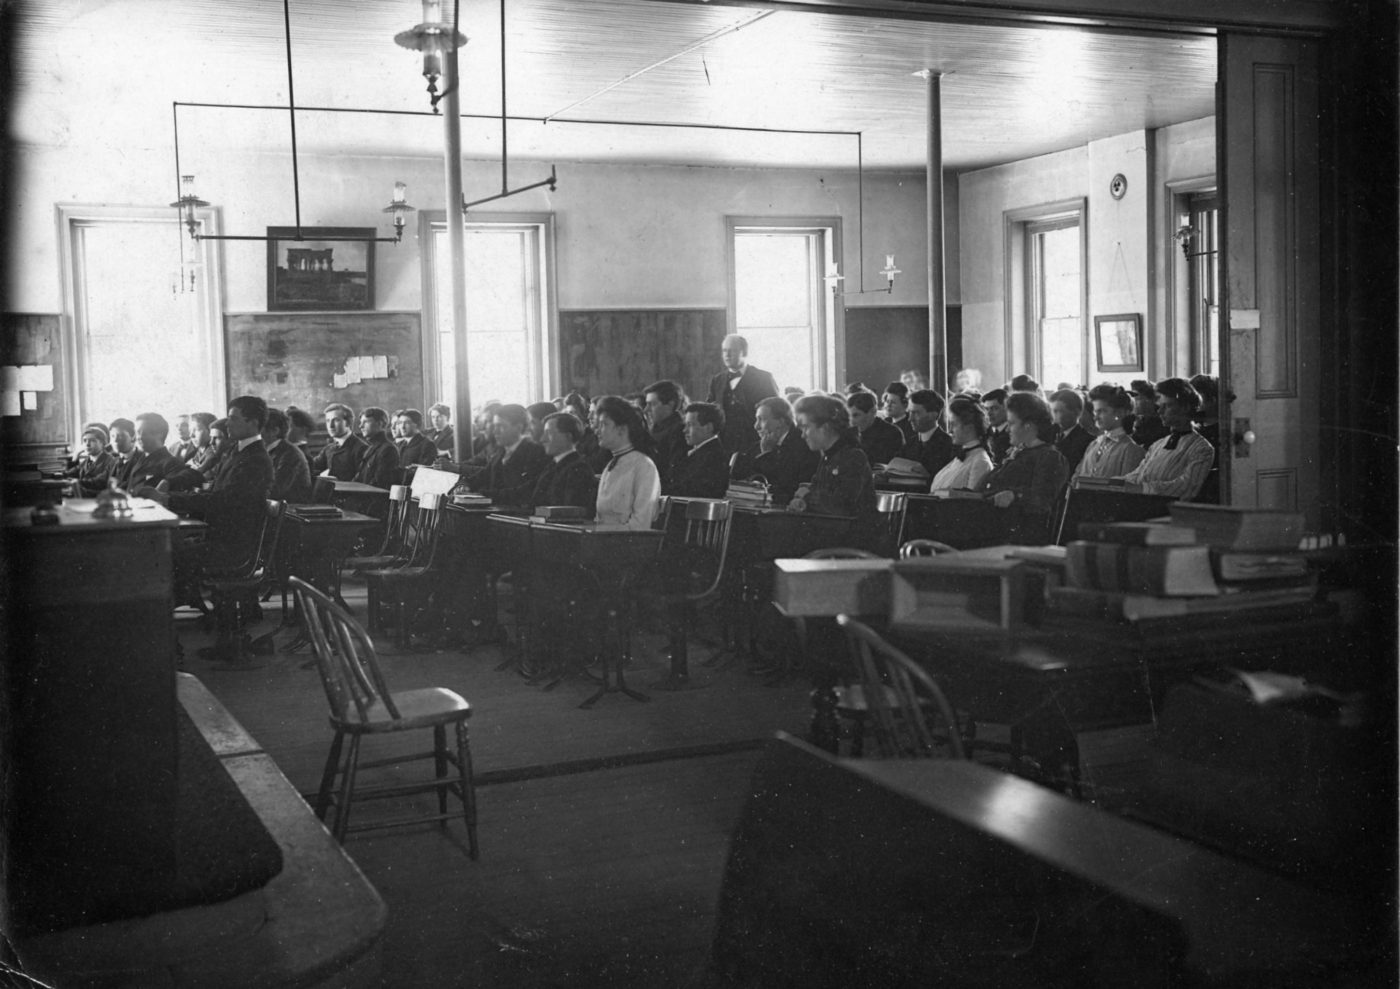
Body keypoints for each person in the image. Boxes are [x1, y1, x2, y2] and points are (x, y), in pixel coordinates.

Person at [140, 396, 274, 592]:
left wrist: (169, 499)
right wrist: (170, 484)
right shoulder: (237, 451)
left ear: (253, 423)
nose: (227, 423)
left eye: (233, 418)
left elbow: (222, 500)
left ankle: (175, 606)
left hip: (235, 548)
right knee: (165, 549)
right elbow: (203, 480)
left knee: (164, 554)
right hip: (222, 537)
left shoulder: (256, 459)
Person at [787, 394, 879, 549]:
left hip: (853, 546)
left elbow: (841, 507)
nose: (802, 435)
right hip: (834, 538)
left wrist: (807, 496)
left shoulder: (853, 457)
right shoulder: (828, 457)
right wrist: (803, 501)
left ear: (825, 427)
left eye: (806, 427)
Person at [982, 392, 1069, 545]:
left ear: (1028, 426)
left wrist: (1015, 495)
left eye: (1011, 423)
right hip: (995, 528)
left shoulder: (1049, 457)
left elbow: (1041, 500)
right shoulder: (1018, 453)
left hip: (1019, 537)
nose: (1007, 430)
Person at [1119, 377, 1215, 499]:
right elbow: (1137, 476)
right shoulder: (1158, 445)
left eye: (1168, 406)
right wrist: (1110, 482)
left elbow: (1186, 487)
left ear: (1185, 407)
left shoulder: (1202, 448)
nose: (1160, 411)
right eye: (1160, 406)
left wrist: (1143, 488)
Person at [734, 395, 819, 507]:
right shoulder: (758, 445)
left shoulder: (803, 445)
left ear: (780, 422)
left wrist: (767, 454)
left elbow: (783, 487)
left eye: (761, 419)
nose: (756, 426)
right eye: (756, 419)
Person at [593, 396, 661, 530]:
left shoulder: (644, 466)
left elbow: (641, 525)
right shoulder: (610, 466)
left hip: (628, 541)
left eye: (604, 424)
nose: (597, 431)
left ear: (622, 429)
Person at [708, 334, 780, 455]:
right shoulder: (717, 380)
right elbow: (711, 412)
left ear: (744, 352)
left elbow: (777, 411)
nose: (727, 355)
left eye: (732, 350)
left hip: (755, 444)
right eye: (724, 350)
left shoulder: (763, 378)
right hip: (725, 446)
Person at [466, 403, 549, 501]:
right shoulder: (501, 453)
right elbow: (479, 477)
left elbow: (524, 492)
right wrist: (463, 486)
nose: (495, 431)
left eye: (501, 426)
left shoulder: (536, 452)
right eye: (495, 426)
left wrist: (483, 494)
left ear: (519, 427)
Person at [1072, 384, 1146, 481]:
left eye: (1102, 411)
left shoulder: (1130, 450)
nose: (1096, 417)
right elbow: (1076, 478)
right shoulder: (1093, 445)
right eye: (1095, 412)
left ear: (1119, 413)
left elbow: (1127, 486)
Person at [929, 396, 994, 492]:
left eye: (954, 424)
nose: (950, 430)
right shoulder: (960, 457)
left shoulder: (980, 462)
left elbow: (971, 498)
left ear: (969, 427)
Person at [669, 402, 730, 499]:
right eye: (685, 425)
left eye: (690, 425)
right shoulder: (698, 452)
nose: (684, 430)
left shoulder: (714, 458)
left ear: (708, 428)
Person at [643, 379, 689, 491]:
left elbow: (672, 473)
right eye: (646, 404)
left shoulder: (679, 431)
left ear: (670, 404)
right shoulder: (654, 428)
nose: (646, 410)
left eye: (652, 404)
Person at [900, 389, 955, 478]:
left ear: (933, 415)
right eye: (909, 412)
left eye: (916, 413)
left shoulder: (949, 445)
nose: (910, 419)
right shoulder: (908, 444)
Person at [262, 407, 313, 503]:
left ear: (274, 431)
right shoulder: (267, 451)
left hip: (291, 508)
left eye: (258, 428)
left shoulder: (291, 454)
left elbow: (276, 490)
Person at [122, 412, 183, 491]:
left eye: (144, 432)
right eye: (138, 433)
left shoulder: (171, 464)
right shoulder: (138, 460)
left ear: (160, 434)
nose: (139, 437)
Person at [847, 390, 904, 466]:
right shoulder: (848, 433)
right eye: (848, 416)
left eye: (856, 415)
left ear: (872, 412)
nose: (851, 421)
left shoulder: (892, 433)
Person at [310, 403, 366, 481]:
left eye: (336, 420)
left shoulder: (361, 449)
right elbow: (312, 467)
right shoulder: (329, 448)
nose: (331, 426)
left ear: (348, 423)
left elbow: (361, 480)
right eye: (328, 421)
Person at [63, 423, 115, 495]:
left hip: (98, 498)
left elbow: (99, 482)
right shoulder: (87, 461)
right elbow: (69, 473)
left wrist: (76, 483)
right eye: (85, 440)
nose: (87, 444)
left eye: (92, 440)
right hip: (82, 495)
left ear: (103, 443)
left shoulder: (110, 461)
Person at [1050, 388, 1094, 473]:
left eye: (1057, 411)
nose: (1052, 416)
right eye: (1051, 411)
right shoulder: (1049, 433)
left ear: (1076, 412)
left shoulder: (1086, 440)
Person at [1129, 379, 1170, 449]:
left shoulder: (1162, 418)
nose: (1133, 403)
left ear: (1148, 399)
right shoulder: (1141, 419)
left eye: (1137, 399)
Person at [981, 388, 1012, 465]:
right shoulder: (988, 432)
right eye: (986, 409)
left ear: (1007, 408)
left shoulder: (1013, 434)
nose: (989, 413)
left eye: (994, 408)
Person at [107, 417, 139, 489]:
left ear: (133, 437)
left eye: (121, 435)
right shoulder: (112, 461)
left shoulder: (142, 460)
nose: (115, 440)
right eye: (113, 436)